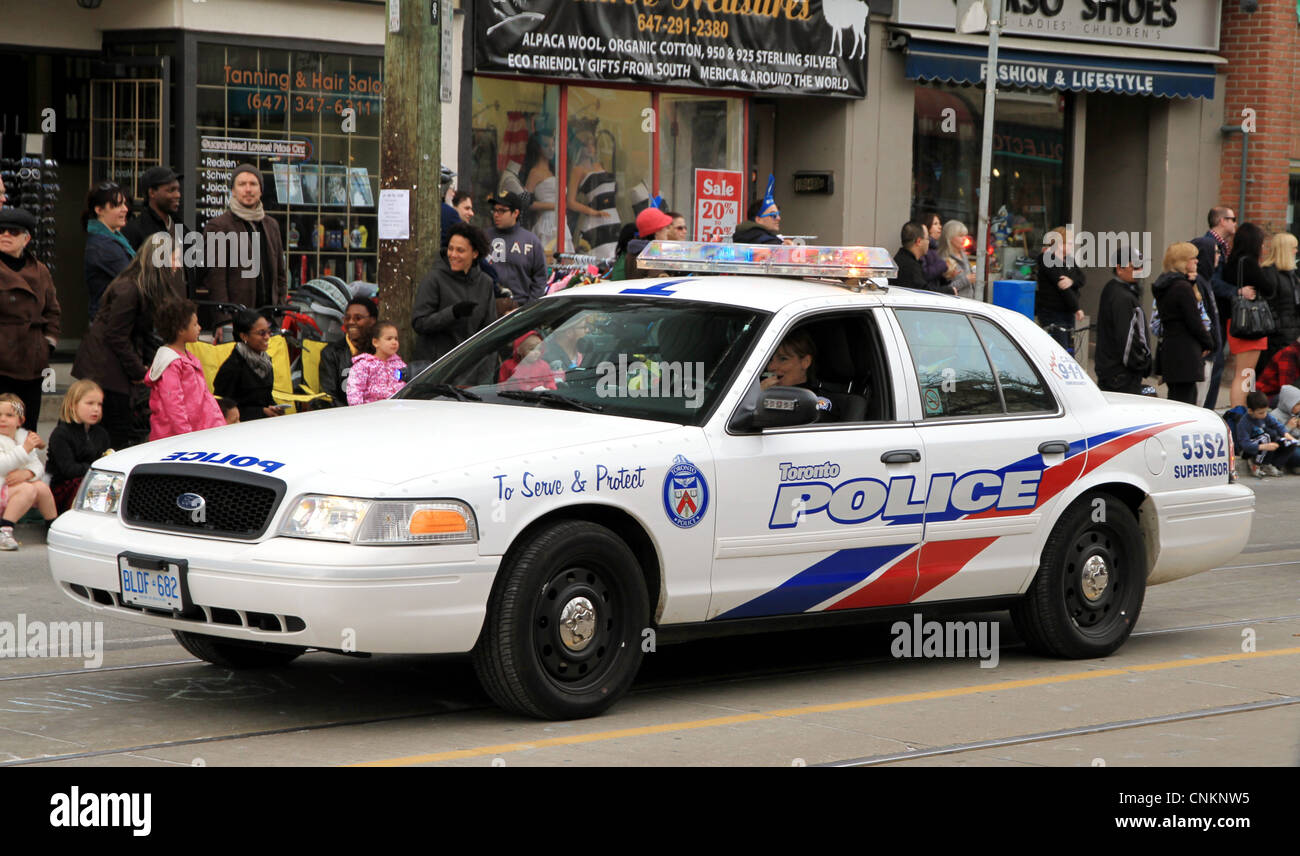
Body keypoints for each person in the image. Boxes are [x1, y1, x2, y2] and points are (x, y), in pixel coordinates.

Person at [72, 231, 185, 449]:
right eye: (175, 258)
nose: (178, 264)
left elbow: (142, 333)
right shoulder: (130, 288)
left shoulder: (146, 286)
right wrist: (138, 371)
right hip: (104, 367)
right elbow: (116, 335)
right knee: (115, 430)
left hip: (115, 363)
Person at [0, 206, 61, 433]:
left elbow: (53, 311)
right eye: (1, 231)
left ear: (26, 239)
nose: (6, 235)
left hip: (32, 363)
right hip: (2, 364)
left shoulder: (40, 271)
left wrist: (47, 345)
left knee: (27, 426)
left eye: (13, 231)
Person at [201, 164, 286, 325]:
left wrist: (279, 310)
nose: (248, 189)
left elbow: (280, 274)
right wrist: (224, 320)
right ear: (233, 191)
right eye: (242, 184)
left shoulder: (271, 225)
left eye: (253, 184)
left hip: (270, 320)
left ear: (261, 190)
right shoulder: (219, 226)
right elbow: (215, 279)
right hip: (236, 321)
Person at [412, 222, 497, 367]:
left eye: (460, 250)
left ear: (475, 253)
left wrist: (484, 370)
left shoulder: (486, 283)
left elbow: (489, 332)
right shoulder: (434, 279)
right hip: (437, 368)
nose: (453, 255)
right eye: (450, 249)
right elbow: (419, 323)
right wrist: (452, 313)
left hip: (470, 368)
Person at [145, 298, 225, 441]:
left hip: (198, 432)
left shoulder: (190, 358)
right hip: (176, 440)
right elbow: (173, 405)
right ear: (180, 329)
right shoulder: (170, 363)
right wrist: (186, 437)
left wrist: (218, 425)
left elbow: (206, 398)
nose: (199, 327)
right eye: (195, 324)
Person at [1152, 242, 1213, 405]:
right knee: (1185, 401)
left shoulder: (1167, 285)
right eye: (1193, 258)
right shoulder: (1182, 287)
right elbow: (1193, 320)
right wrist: (1208, 342)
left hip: (1171, 351)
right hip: (1185, 353)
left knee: (1176, 397)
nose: (1197, 261)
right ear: (1183, 261)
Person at [1223, 222, 1273, 409]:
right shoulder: (1249, 263)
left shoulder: (1232, 262)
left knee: (1244, 373)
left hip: (1237, 320)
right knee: (1245, 373)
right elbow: (1269, 288)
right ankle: (1238, 412)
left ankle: (1241, 410)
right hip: (1250, 323)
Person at [1191, 206, 1237, 408]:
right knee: (1210, 371)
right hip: (1211, 318)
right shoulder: (1208, 245)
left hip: (1217, 316)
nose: (1235, 223)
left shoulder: (1222, 245)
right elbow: (1213, 283)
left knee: (1215, 369)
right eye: (1232, 219)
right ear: (1221, 221)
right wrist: (1237, 291)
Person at [0, 394, 56, 551]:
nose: (3, 419)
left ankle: (52, 529)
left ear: (20, 421)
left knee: (41, 488)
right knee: (28, 489)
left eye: (9, 415)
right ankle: (4, 531)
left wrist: (28, 473)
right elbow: (2, 465)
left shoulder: (23, 439)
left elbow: (38, 466)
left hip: (11, 492)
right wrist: (24, 450)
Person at [46, 379, 113, 512]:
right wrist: (96, 469)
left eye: (99, 404)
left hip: (94, 483)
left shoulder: (101, 433)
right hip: (63, 489)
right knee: (83, 484)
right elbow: (69, 470)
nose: (96, 409)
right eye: (90, 403)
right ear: (73, 405)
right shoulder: (61, 434)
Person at [1094, 246, 1150, 394]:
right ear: (1120, 268)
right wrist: (1141, 364)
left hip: (1113, 372)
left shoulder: (1114, 289)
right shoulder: (1122, 297)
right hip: (1121, 375)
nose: (1140, 271)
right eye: (1135, 267)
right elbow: (1127, 340)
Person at [213, 309, 283, 422]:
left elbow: (266, 398)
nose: (267, 337)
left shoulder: (266, 361)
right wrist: (261, 412)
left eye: (269, 332)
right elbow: (223, 409)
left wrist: (274, 408)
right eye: (262, 333)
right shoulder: (232, 367)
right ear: (244, 336)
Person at [758, 330, 840, 422]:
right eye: (770, 360)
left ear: (805, 362)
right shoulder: (765, 392)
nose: (771, 367)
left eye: (783, 359)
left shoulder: (818, 400)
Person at [485, 190, 548, 307]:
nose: (496, 214)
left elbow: (540, 278)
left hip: (519, 307)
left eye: (502, 211)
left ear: (515, 213)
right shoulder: (484, 238)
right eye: (494, 210)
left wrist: (528, 308)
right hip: (489, 306)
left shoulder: (531, 242)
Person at [567, 120, 620, 258]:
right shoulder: (578, 170)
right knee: (599, 257)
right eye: (586, 145)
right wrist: (593, 212)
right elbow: (570, 202)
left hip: (612, 218)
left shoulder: (601, 165)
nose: (590, 148)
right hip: (595, 221)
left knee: (613, 255)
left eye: (592, 144)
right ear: (579, 148)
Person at [82, 181, 134, 320]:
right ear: (99, 210)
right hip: (110, 322)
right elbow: (135, 280)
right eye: (117, 205)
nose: (125, 209)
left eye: (124, 204)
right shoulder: (103, 245)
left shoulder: (113, 239)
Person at [319, 297, 377, 405]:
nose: (351, 322)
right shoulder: (331, 353)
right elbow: (329, 397)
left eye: (358, 318)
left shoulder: (381, 351)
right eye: (347, 318)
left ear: (372, 321)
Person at [1035, 226, 1086, 349]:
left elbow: (1081, 278)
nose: (1072, 246)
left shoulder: (1068, 260)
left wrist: (1071, 281)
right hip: (1052, 312)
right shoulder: (1047, 259)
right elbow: (1063, 287)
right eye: (1069, 243)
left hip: (1067, 311)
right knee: (1060, 348)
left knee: (1069, 347)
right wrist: (1076, 308)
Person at [522, 133, 571, 253]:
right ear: (538, 148)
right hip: (547, 223)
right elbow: (525, 202)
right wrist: (554, 206)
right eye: (546, 145)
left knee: (564, 256)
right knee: (548, 256)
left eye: (553, 145)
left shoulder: (555, 171)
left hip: (561, 221)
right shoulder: (535, 173)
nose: (551, 149)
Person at [1259, 232, 1299, 373]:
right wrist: (1277, 327)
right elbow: (1267, 304)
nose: (1296, 251)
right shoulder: (1269, 272)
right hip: (1277, 335)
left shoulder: (1291, 274)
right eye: (1293, 248)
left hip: (1290, 332)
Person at [1236, 390, 1299, 478]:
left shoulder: (1265, 416)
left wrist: (1288, 437)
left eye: (1265, 411)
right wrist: (1263, 447)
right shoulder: (1244, 423)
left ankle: (1273, 465)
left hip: (1266, 444)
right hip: (1251, 449)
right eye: (1261, 413)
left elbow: (1277, 426)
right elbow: (1244, 444)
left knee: (1288, 443)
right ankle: (1257, 464)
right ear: (1250, 411)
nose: (1264, 415)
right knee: (1267, 436)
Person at [121, 165, 184, 251]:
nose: (177, 195)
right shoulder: (134, 231)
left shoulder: (180, 227)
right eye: (171, 190)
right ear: (152, 193)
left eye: (178, 190)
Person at [347, 321, 407, 405]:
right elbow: (355, 390)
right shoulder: (364, 365)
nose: (394, 342)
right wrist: (359, 409)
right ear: (375, 342)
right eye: (389, 339)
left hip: (396, 408)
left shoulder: (400, 365)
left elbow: (406, 387)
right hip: (371, 410)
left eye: (396, 339)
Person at [624, 207, 674, 280]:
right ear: (657, 231)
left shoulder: (634, 250)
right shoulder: (653, 251)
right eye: (666, 227)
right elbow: (659, 279)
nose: (668, 231)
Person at [940, 219, 977, 300]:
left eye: (965, 235)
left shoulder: (963, 255)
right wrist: (966, 280)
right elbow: (943, 289)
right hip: (955, 303)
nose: (964, 239)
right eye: (960, 236)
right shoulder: (943, 259)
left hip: (970, 302)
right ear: (950, 238)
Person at [890, 221, 931, 290]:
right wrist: (949, 291)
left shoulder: (901, 259)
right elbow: (924, 291)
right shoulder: (909, 267)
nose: (929, 242)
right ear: (919, 241)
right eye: (928, 239)